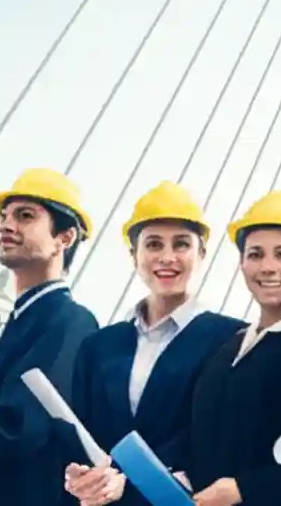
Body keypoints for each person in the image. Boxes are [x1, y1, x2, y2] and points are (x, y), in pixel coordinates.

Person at [59, 181, 245, 506]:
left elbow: (216, 437)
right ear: (135, 255)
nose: (167, 257)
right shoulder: (99, 346)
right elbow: (78, 434)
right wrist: (82, 476)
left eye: (182, 245)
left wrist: (127, 480)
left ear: (201, 254)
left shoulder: (232, 340)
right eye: (154, 245)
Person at [0, 168, 99, 505]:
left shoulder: (72, 322)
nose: (6, 225)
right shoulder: (0, 333)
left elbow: (24, 422)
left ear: (65, 237)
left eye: (25, 216)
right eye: (4, 215)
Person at [177, 190, 281, 506]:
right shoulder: (226, 347)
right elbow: (199, 435)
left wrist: (244, 489)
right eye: (256, 254)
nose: (267, 267)